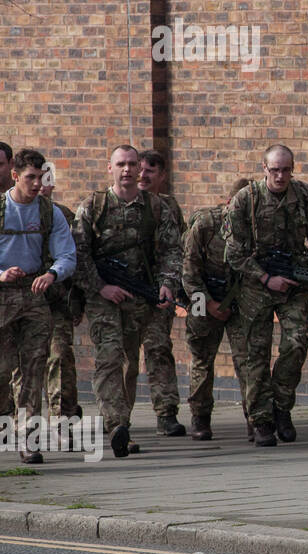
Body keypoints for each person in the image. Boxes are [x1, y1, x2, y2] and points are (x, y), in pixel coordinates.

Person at [75, 145, 184, 458]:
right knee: (109, 357)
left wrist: (166, 284)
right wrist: (101, 287)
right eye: (120, 164)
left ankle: (123, 424)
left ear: (140, 169)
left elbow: (171, 250)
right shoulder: (93, 206)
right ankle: (117, 426)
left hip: (140, 297)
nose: (127, 170)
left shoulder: (157, 207)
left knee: (129, 365)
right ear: (110, 168)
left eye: (132, 164)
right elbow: (78, 254)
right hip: (104, 297)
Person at [224, 144, 308, 447]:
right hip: (255, 285)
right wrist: (265, 277)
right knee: (254, 355)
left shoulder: (305, 195)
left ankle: (281, 407)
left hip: (294, 282)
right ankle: (261, 420)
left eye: (286, 169)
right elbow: (233, 251)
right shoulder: (245, 200)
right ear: (264, 168)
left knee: (297, 342)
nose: (281, 175)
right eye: (275, 169)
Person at [0, 149, 77, 463]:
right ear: (15, 176)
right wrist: (1, 273)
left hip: (34, 295)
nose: (35, 184)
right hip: (2, 295)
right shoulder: (2, 209)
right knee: (3, 370)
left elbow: (68, 254)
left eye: (40, 177)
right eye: (29, 177)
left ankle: (28, 441)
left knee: (34, 370)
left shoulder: (49, 212)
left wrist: (52, 273)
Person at [183, 178, 253, 440]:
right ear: (228, 203)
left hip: (239, 302)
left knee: (248, 361)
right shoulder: (205, 225)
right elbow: (189, 272)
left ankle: (255, 418)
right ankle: (200, 418)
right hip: (203, 297)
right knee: (202, 359)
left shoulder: (255, 230)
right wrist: (209, 304)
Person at [126, 149, 186, 436]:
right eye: (142, 169)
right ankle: (118, 417)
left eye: (151, 170)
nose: (144, 175)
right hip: (125, 293)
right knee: (122, 357)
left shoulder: (168, 207)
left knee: (159, 351)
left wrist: (172, 285)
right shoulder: (113, 202)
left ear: (162, 176)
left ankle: (166, 413)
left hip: (156, 293)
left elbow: (178, 249)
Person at [41, 182, 90, 421]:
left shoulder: (62, 215)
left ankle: (63, 416)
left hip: (57, 300)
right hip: (16, 300)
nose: (39, 187)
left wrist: (78, 299)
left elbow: (76, 259)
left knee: (60, 356)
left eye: (42, 181)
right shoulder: (8, 211)